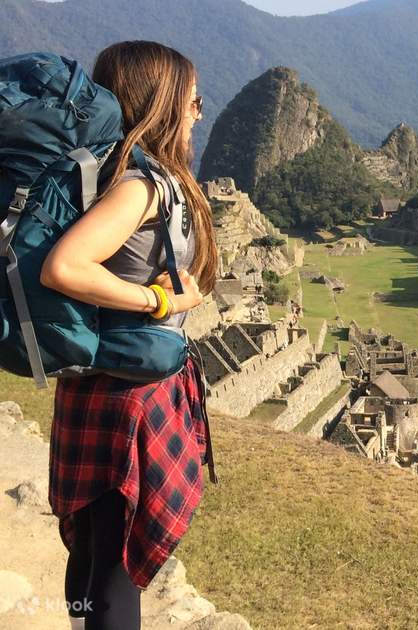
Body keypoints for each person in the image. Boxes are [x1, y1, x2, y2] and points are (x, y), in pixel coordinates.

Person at [40, 41, 218, 629]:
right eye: (191, 101)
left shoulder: (118, 175)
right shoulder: (142, 186)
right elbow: (64, 267)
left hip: (102, 384)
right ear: (162, 103)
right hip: (127, 398)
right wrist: (162, 299)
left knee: (93, 550)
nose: (198, 112)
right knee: (115, 566)